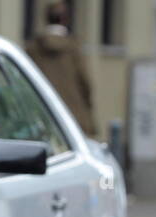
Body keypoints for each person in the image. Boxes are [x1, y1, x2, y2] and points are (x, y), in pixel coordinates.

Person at [24, 1, 95, 135]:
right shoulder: (73, 48)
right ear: (65, 19)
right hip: (72, 114)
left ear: (46, 18)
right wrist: (87, 107)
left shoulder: (33, 48)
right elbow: (84, 81)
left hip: (42, 113)